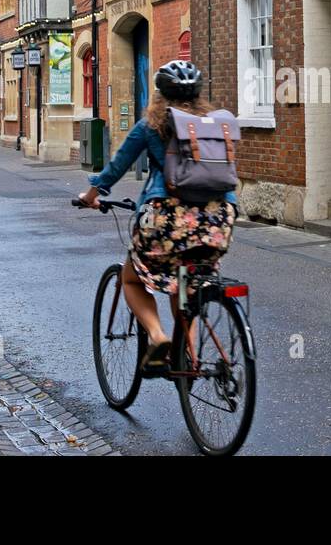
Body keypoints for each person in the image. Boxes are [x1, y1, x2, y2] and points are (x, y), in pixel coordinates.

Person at [77, 60, 238, 371]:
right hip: (219, 218)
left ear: (160, 94)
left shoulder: (151, 125)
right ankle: (186, 357)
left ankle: (157, 335)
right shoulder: (214, 126)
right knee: (189, 286)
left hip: (167, 219)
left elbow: (115, 168)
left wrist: (91, 195)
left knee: (132, 279)